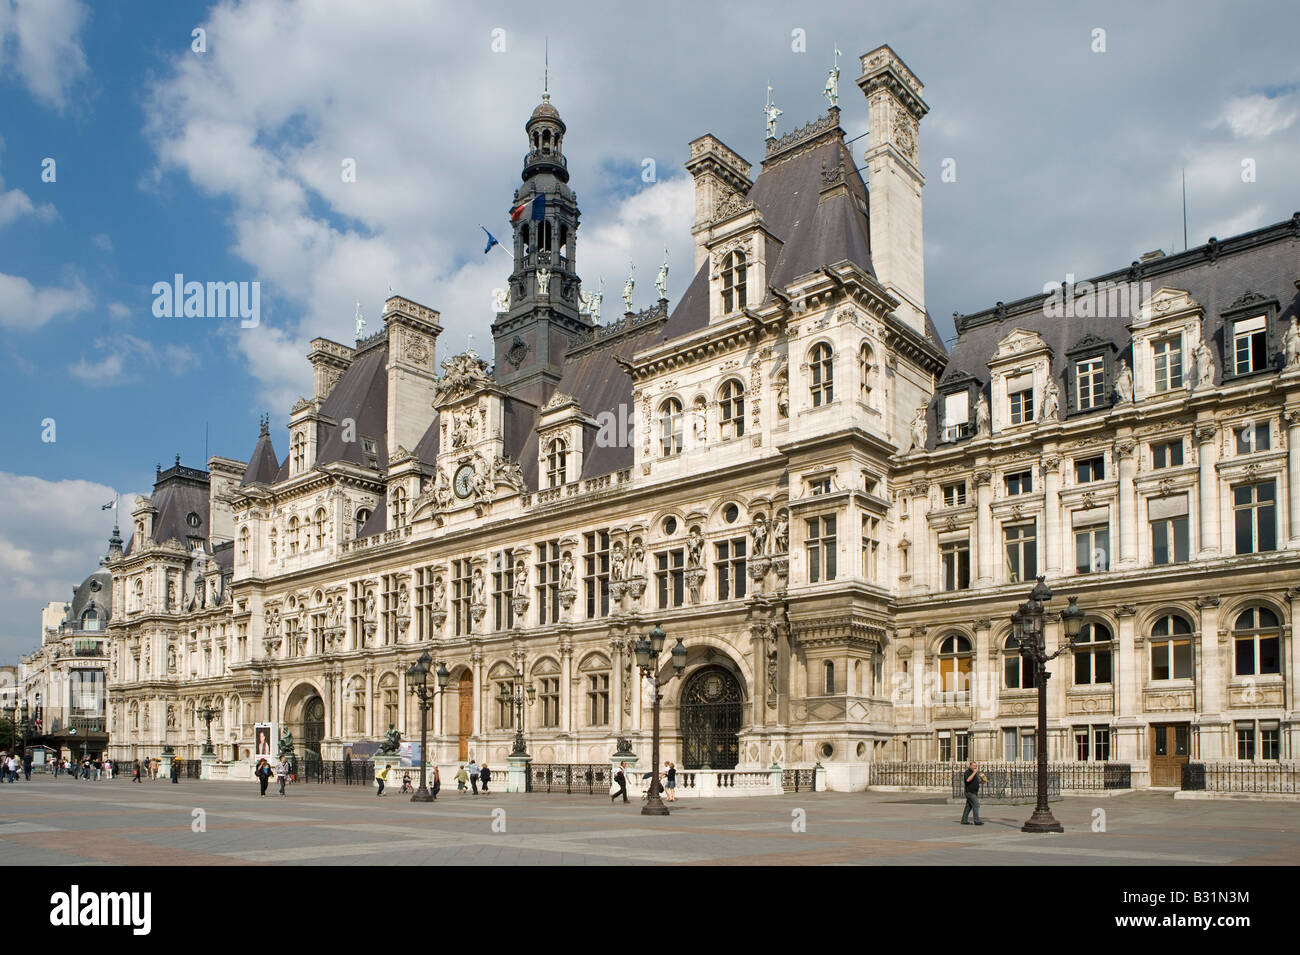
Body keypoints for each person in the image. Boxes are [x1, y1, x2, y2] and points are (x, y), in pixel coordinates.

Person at [961, 760, 985, 826]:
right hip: (969, 792)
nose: (975, 767)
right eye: (974, 766)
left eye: (976, 766)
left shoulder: (976, 773)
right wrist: (974, 773)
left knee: (968, 806)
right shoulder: (967, 772)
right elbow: (968, 780)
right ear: (970, 766)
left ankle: (964, 820)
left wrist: (983, 780)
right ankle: (976, 821)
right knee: (976, 805)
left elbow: (978, 782)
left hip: (974, 792)